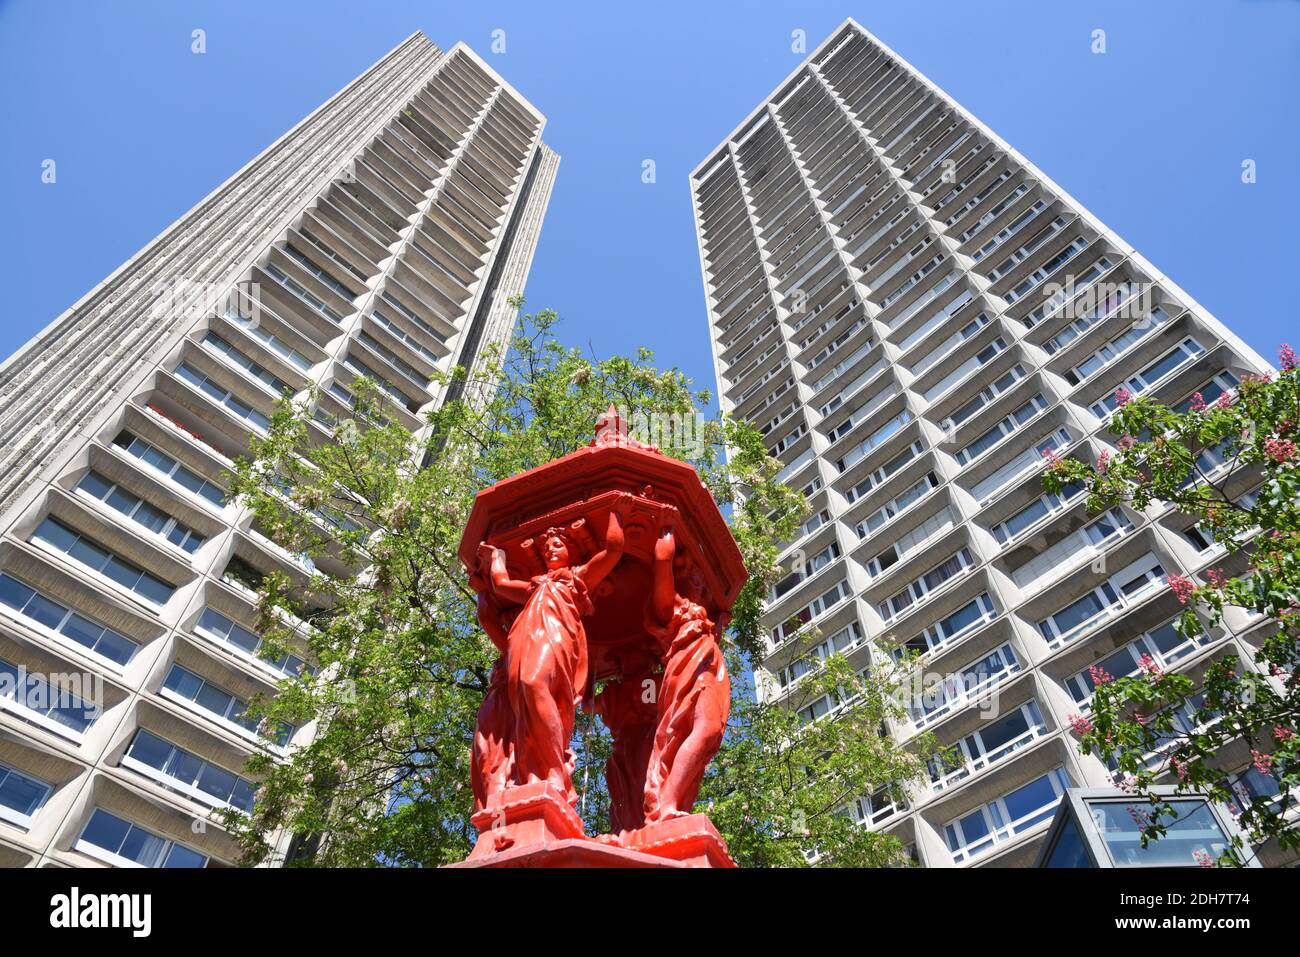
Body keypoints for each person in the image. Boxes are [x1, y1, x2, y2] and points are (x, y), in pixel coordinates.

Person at [477, 494, 631, 806]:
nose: (550, 549)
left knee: (534, 684)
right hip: (526, 639)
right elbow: (502, 584)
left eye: (558, 544)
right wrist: (494, 559)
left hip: (557, 637)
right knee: (523, 696)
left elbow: (613, 551)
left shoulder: (575, 579)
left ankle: (555, 769)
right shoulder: (534, 585)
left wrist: (617, 511)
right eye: (546, 546)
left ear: (572, 551)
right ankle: (535, 773)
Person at [643, 521, 730, 822]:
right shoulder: (674, 608)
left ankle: (673, 802)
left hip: (708, 667)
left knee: (711, 733)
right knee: (703, 730)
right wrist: (664, 555)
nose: (697, 576)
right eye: (691, 571)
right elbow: (663, 576)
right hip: (689, 668)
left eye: (700, 575)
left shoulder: (702, 617)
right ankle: (667, 803)